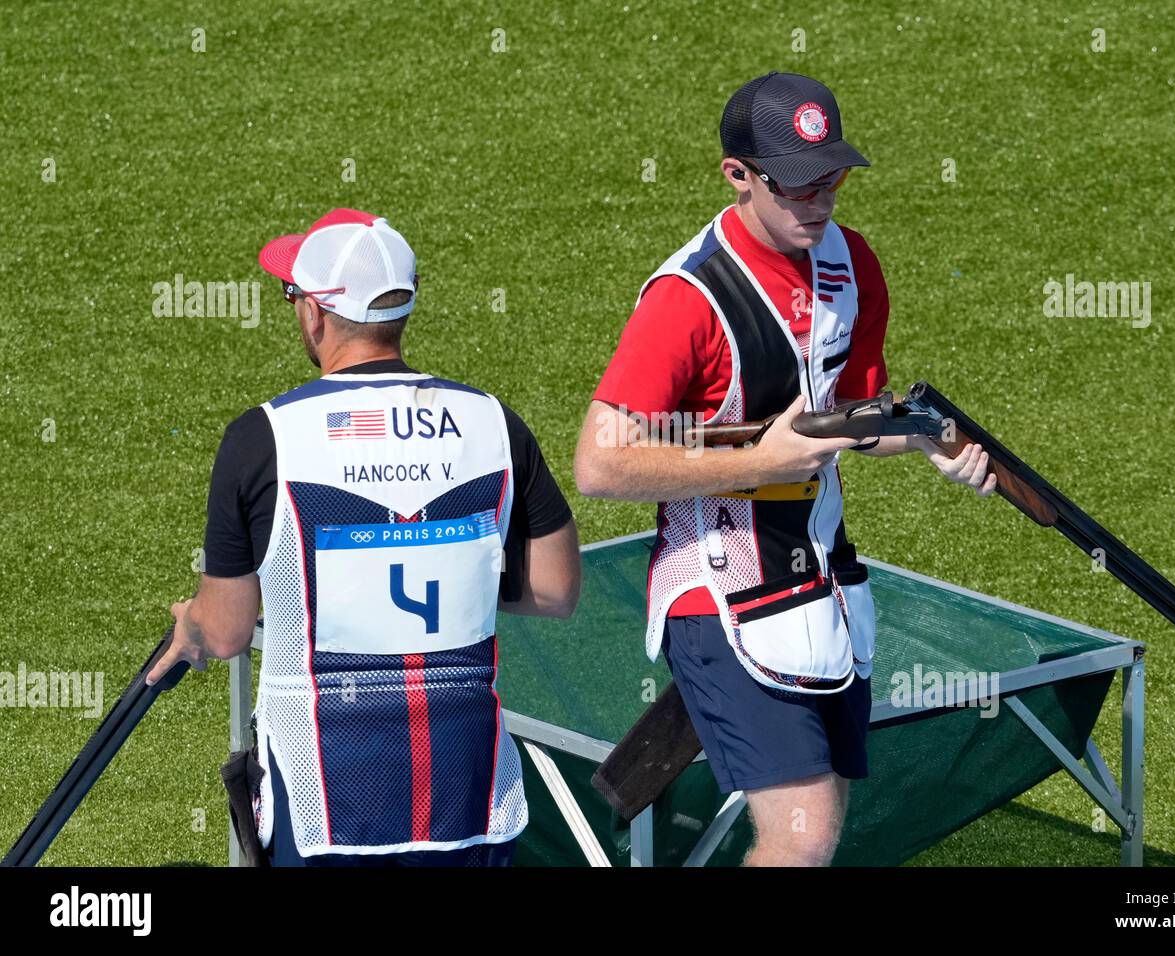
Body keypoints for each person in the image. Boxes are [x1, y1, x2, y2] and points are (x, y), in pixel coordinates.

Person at [573, 73, 995, 866]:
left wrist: (933, 444)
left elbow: (853, 420)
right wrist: (759, 460)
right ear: (739, 176)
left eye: (831, 177)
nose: (820, 201)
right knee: (802, 837)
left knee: (820, 824)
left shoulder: (853, 265)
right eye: (796, 184)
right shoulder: (687, 300)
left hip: (824, 586)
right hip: (718, 586)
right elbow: (599, 462)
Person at [148, 208, 580, 866]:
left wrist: (193, 625)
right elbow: (554, 589)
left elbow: (228, 629)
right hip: (469, 791)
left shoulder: (262, 439)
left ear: (314, 313)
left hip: (325, 798)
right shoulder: (493, 423)